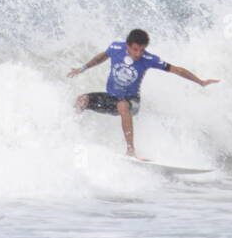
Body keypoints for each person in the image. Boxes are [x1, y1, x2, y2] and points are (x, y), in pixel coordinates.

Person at [68, 29, 218, 159]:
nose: (138, 54)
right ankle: (69, 134)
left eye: (141, 50)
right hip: (112, 99)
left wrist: (200, 82)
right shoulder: (115, 48)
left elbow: (177, 70)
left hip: (132, 102)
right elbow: (101, 57)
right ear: (127, 46)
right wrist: (82, 68)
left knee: (122, 105)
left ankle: (131, 151)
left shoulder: (149, 59)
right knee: (82, 100)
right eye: (135, 49)